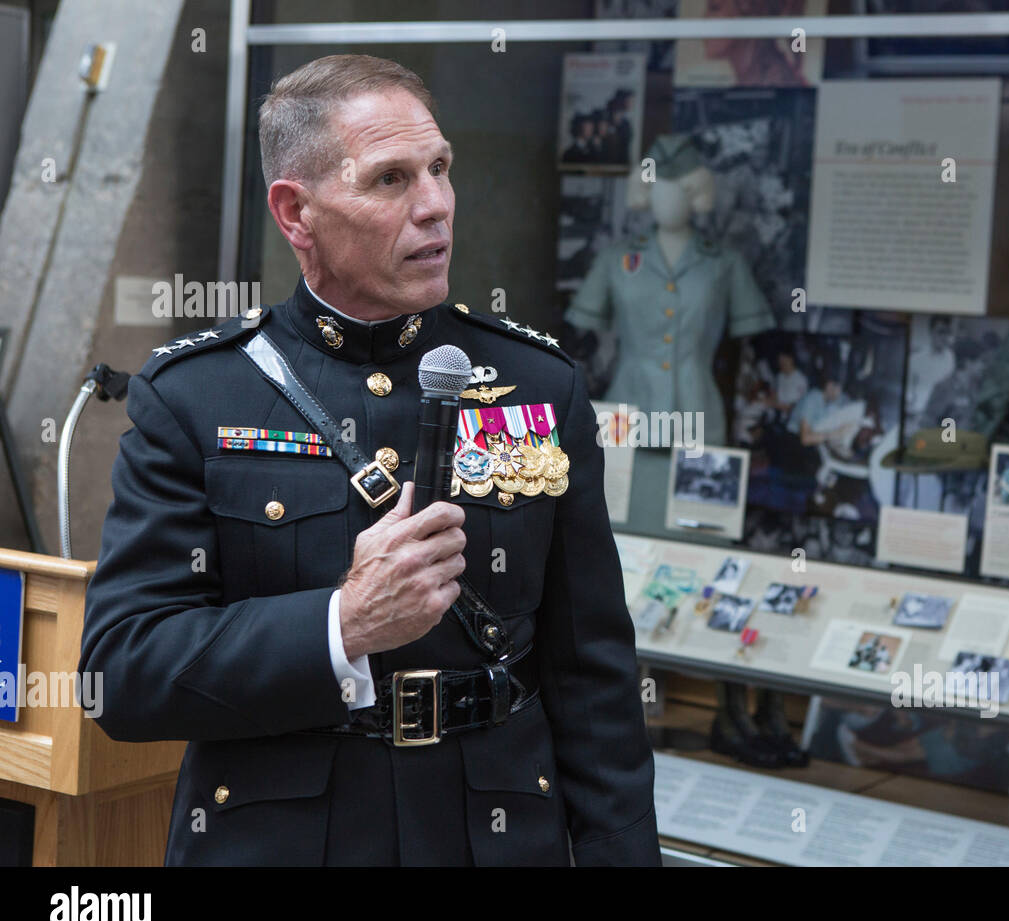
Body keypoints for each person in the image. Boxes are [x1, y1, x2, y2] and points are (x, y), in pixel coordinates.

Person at [78, 54, 660, 867]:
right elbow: (123, 671)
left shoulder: (539, 382)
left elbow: (593, 676)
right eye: (391, 180)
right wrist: (339, 625)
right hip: (283, 841)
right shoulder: (197, 398)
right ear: (295, 212)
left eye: (440, 168)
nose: (436, 207)